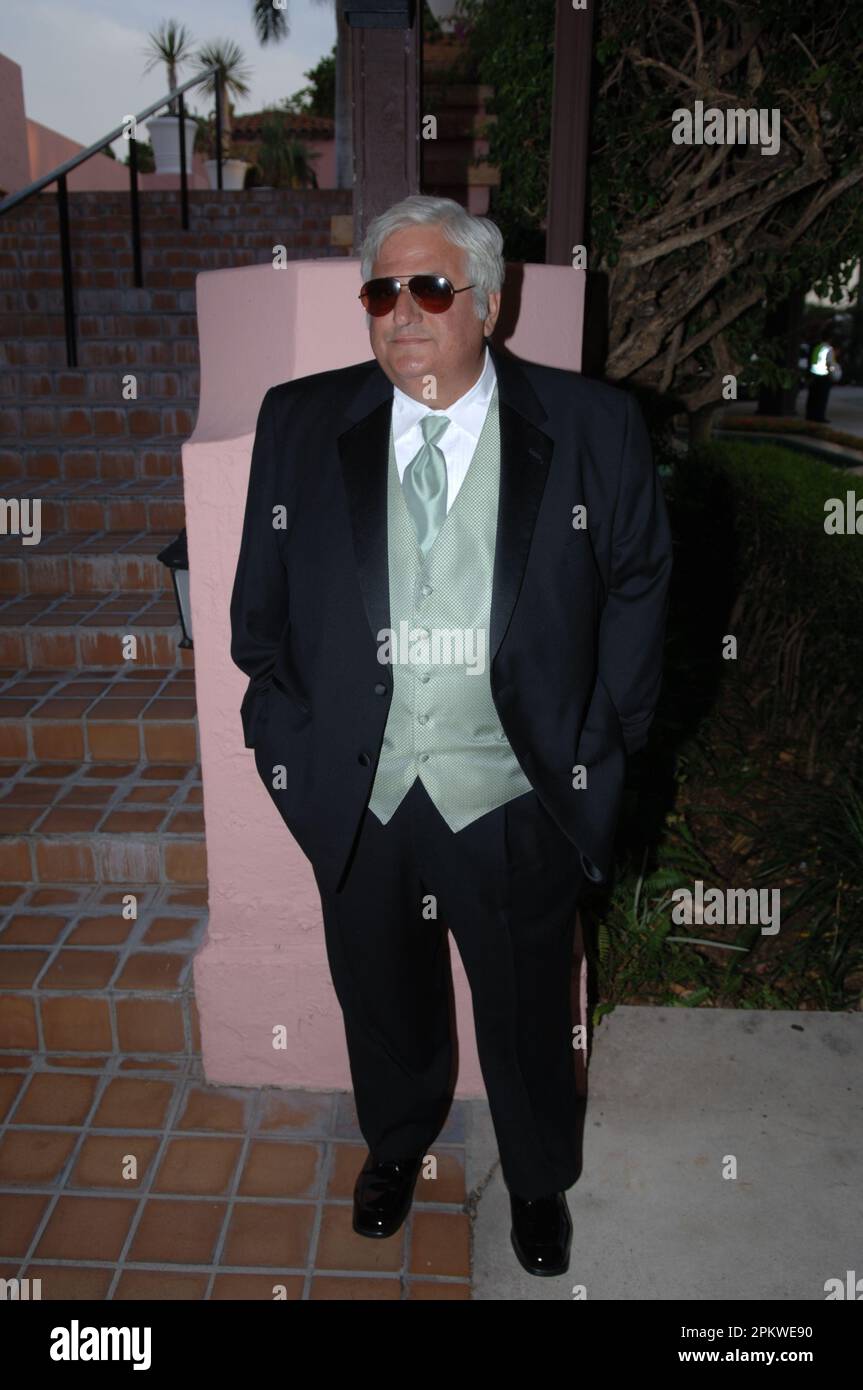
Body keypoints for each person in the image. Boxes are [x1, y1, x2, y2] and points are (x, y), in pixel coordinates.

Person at [230, 194, 673, 1277]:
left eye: (429, 288)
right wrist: (291, 745)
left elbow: (637, 587)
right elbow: (258, 616)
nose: (402, 313)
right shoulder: (298, 421)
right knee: (378, 991)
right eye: (382, 291)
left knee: (525, 1006)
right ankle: (396, 1141)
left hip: (512, 788)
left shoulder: (588, 426)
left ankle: (533, 1179)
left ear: (488, 300)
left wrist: (594, 746)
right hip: (360, 790)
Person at [806, 329, 840, 422]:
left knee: (813, 396)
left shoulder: (817, 347)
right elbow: (829, 363)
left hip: (814, 374)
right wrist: (833, 374)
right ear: (830, 339)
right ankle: (819, 416)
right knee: (821, 398)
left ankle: (810, 415)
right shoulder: (828, 348)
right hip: (823, 375)